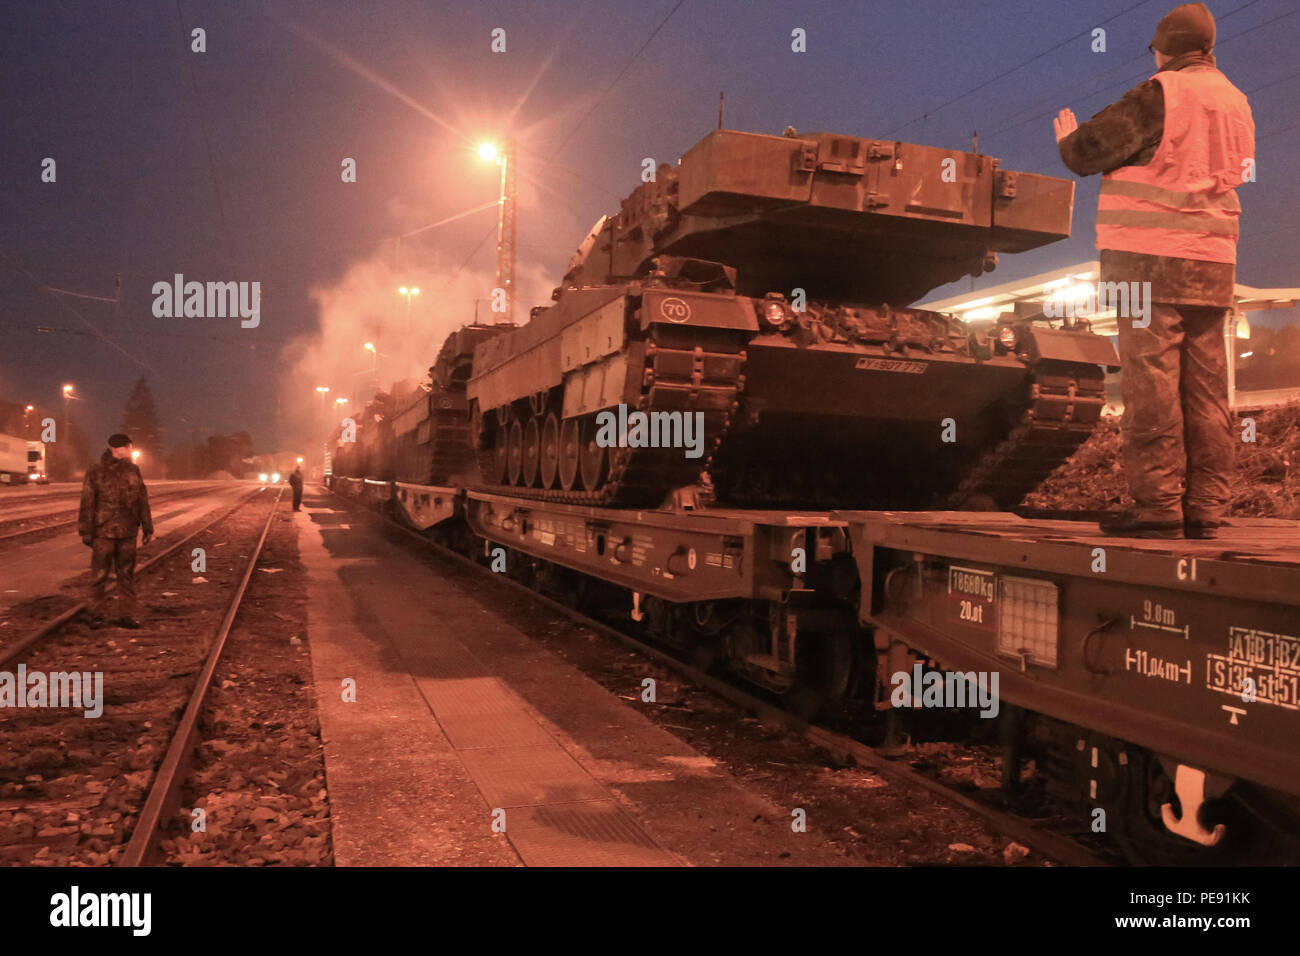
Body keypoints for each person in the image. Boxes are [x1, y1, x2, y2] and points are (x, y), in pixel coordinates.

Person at [1053, 2, 1254, 539]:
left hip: (1145, 262)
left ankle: (1159, 508)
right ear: (1208, 49)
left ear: (1167, 48)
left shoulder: (1162, 93)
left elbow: (1086, 152)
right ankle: (1207, 507)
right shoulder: (1237, 101)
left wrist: (1067, 137)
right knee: (1209, 390)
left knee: (1151, 384)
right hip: (1213, 261)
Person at [78, 433, 153, 628]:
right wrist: (85, 530)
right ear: (118, 449)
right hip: (104, 532)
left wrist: (147, 527)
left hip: (128, 531)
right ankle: (95, 614)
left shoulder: (133, 470)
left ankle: (125, 615)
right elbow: (87, 502)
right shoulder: (96, 471)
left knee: (126, 575)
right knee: (99, 575)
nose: (130, 451)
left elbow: (142, 499)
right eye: (129, 447)